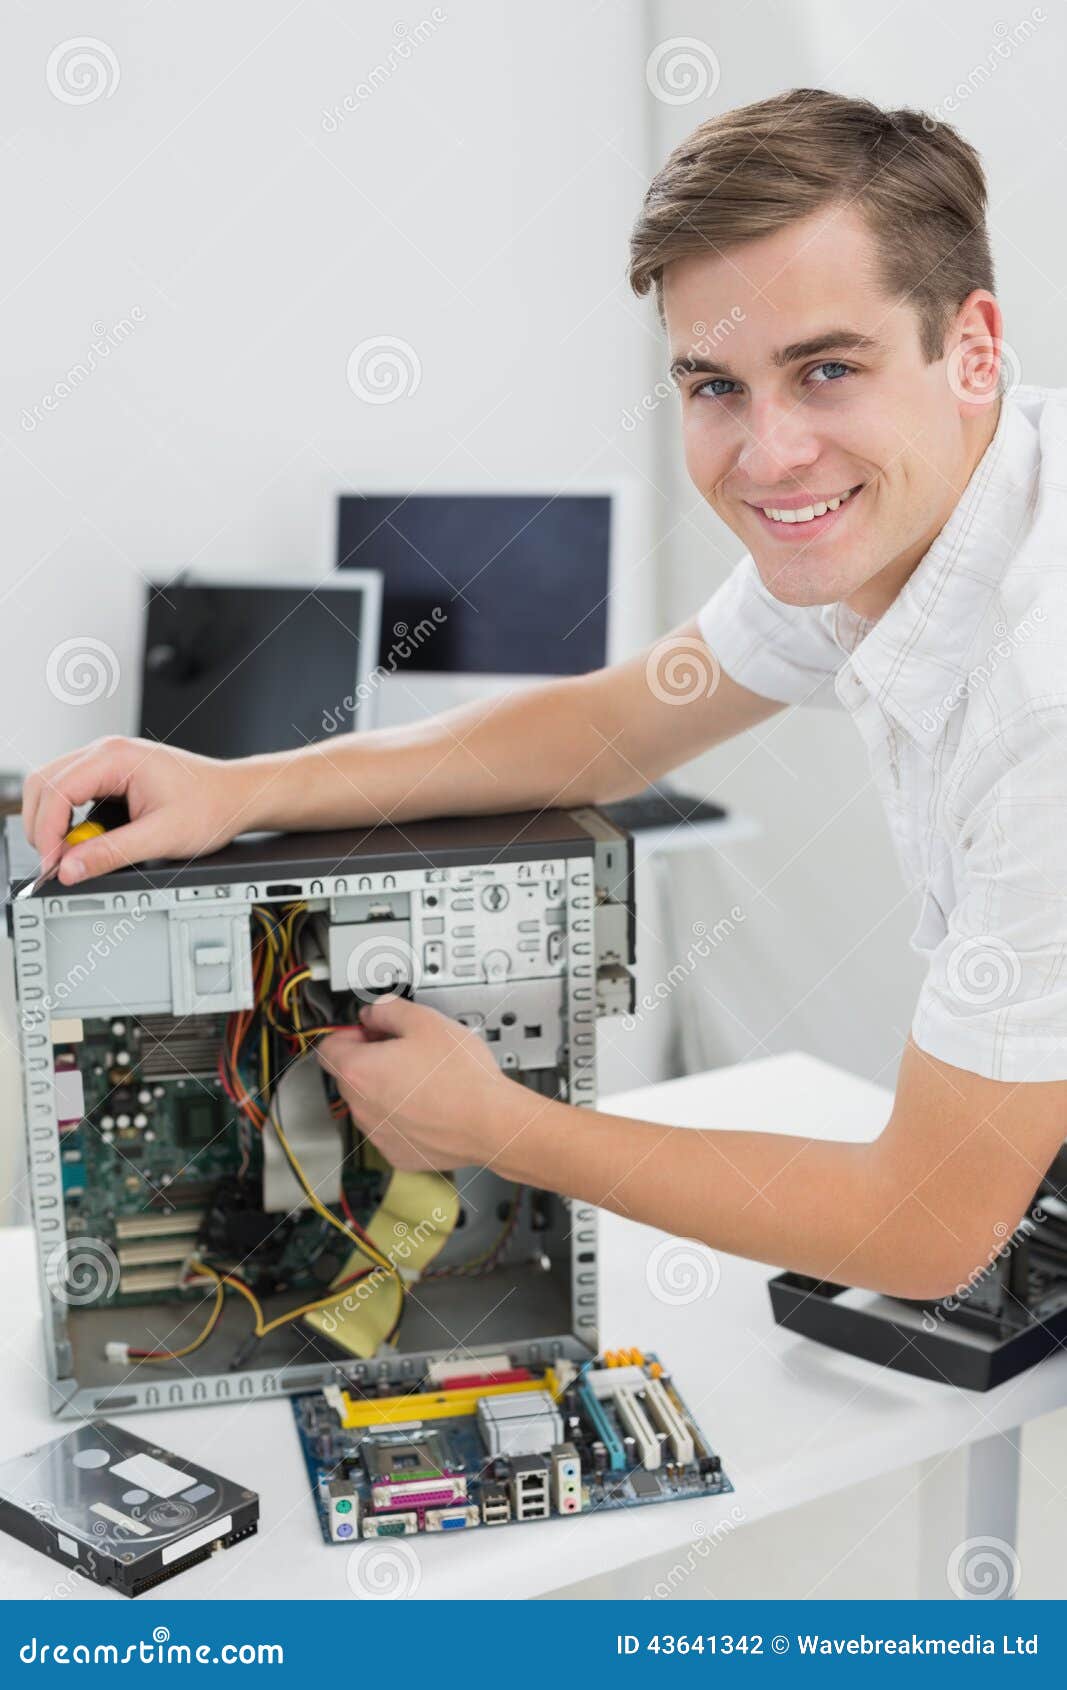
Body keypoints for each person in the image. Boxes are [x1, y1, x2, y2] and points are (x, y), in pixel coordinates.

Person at [22, 90, 1067, 1300]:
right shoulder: (890, 506)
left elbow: (925, 1227)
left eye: (825, 368)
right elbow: (609, 725)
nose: (766, 455)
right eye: (712, 385)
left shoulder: (1038, 703)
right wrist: (233, 790)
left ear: (973, 347)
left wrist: (495, 1124)